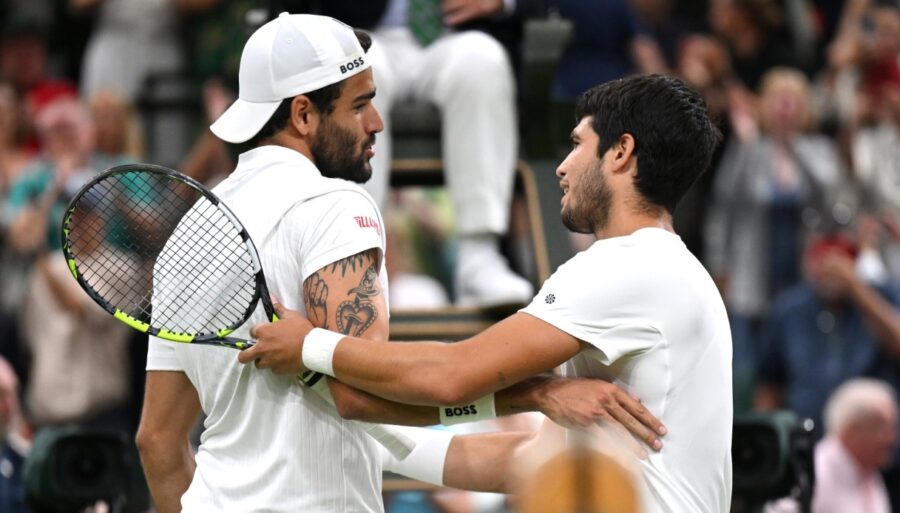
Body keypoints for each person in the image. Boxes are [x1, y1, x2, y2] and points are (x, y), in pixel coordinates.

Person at [136, 14, 666, 513]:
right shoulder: (335, 205)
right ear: (303, 114)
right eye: (359, 104)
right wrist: (540, 394)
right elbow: (360, 396)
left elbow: (157, 440)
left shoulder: (189, 232)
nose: (378, 122)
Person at [242, 74, 733, 513]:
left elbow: (452, 377)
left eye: (577, 144)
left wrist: (310, 346)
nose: (562, 167)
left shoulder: (624, 267)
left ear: (621, 152)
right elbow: (523, 460)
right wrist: (359, 417)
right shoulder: (678, 271)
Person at [812, 378, 898, 513]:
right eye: (883, 429)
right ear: (852, 432)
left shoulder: (868, 469)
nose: (892, 439)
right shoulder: (815, 473)